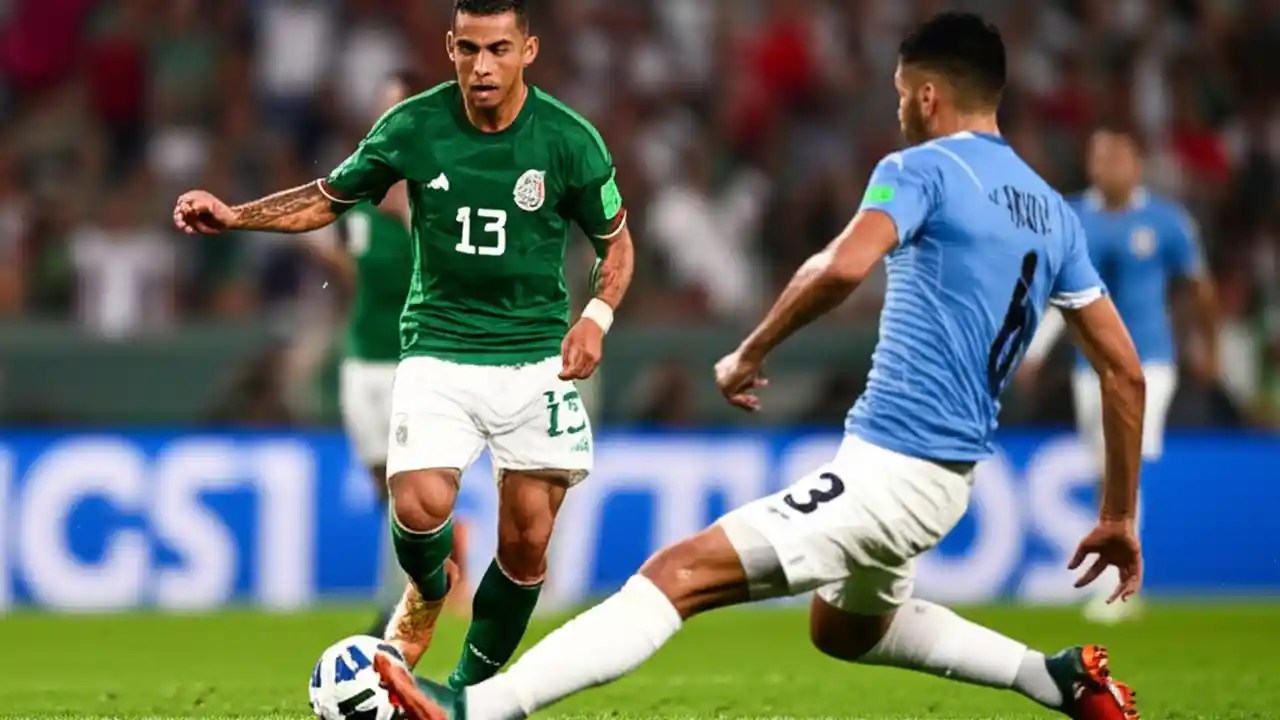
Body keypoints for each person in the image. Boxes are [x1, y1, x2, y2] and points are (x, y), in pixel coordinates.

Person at [373, 12, 1143, 720]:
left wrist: (754, 348)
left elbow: (842, 268)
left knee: (677, 573)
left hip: (895, 469)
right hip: (945, 477)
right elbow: (1123, 373)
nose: (901, 111)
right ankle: (1062, 678)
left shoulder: (922, 171)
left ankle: (479, 710)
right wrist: (1118, 515)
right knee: (848, 628)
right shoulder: (1052, 209)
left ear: (930, 95)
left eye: (903, 96)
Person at [172, 0, 634, 692]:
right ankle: (427, 588)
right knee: (417, 506)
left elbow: (616, 245)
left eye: (499, 50)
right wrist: (237, 215)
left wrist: (595, 315)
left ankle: (464, 691)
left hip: (536, 356)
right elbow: (329, 197)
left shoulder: (569, 140)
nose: (483, 66)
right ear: (450, 47)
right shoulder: (414, 126)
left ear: (527, 51)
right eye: (470, 49)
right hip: (439, 349)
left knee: (528, 538)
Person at [1021, 127, 1218, 625]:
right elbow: (1053, 291)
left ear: (1136, 163)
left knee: (1123, 464)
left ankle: (1120, 583)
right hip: (1091, 364)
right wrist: (1037, 348)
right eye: (1097, 157)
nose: (1105, 166)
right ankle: (1121, 575)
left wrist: (1205, 346)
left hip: (1149, 359)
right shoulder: (1071, 217)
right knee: (1104, 471)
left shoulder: (1166, 222)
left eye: (1114, 157)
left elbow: (1198, 287)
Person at [300, 68, 473, 633]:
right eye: (382, 106)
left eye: (397, 105)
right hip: (361, 358)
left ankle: (399, 605)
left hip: (414, 362)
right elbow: (347, 261)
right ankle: (442, 551)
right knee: (384, 489)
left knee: (405, 489)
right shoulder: (362, 192)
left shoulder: (442, 192)